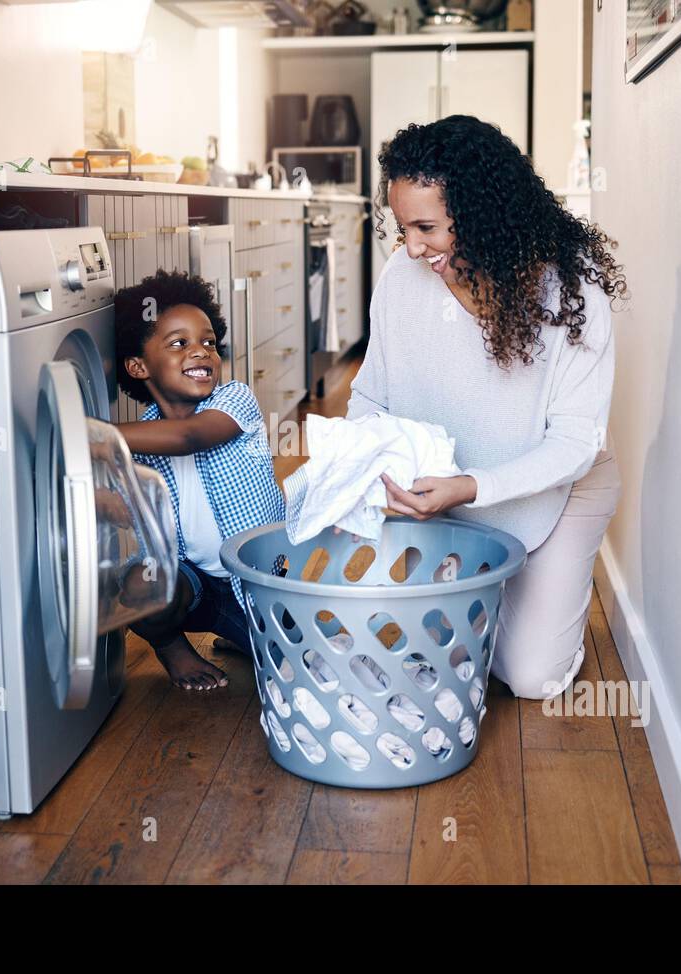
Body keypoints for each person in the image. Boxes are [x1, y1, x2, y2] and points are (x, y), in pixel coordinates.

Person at [349, 114, 627, 699]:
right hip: (451, 501)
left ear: (482, 213)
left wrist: (469, 487)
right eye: (402, 227)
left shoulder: (572, 293)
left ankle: (532, 601)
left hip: (557, 489)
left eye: (427, 227)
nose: (412, 247)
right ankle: (489, 595)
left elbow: (575, 443)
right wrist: (359, 461)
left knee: (529, 678)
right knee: (425, 656)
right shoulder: (405, 276)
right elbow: (371, 394)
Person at [113, 270, 284, 691]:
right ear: (138, 366)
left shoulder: (234, 400)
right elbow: (128, 509)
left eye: (209, 342)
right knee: (141, 584)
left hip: (259, 582)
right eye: (179, 343)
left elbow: (187, 437)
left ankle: (247, 636)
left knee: (295, 662)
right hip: (195, 587)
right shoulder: (144, 435)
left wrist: (87, 433)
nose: (201, 352)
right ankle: (172, 649)